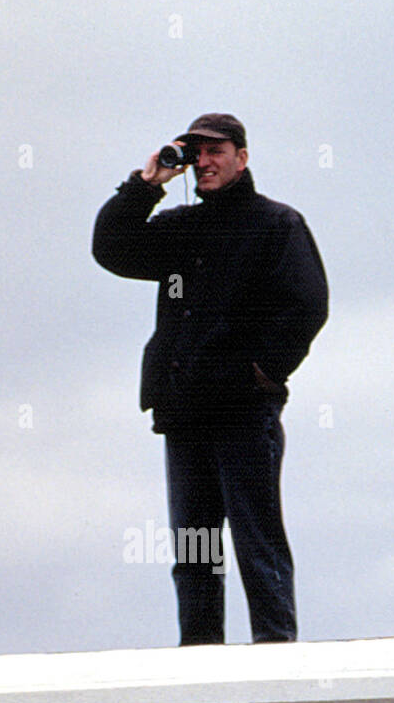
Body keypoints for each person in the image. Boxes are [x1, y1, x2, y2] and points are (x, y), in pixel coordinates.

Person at [92, 113, 328, 645]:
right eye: (196, 151)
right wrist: (145, 185)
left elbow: (308, 306)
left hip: (244, 413)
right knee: (194, 551)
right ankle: (199, 663)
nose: (204, 161)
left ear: (241, 158)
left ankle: (277, 659)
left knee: (257, 543)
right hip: (184, 414)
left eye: (215, 150)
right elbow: (111, 248)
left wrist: (259, 374)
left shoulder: (277, 225)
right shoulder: (181, 229)